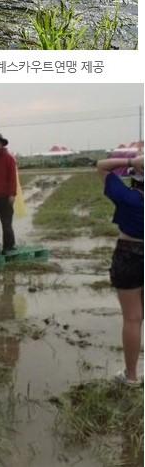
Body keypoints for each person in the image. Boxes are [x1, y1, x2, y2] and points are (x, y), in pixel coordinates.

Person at [97, 153, 143, 385]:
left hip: (129, 254)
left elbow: (102, 167)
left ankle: (132, 376)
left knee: (133, 319)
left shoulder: (127, 196)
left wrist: (131, 162)